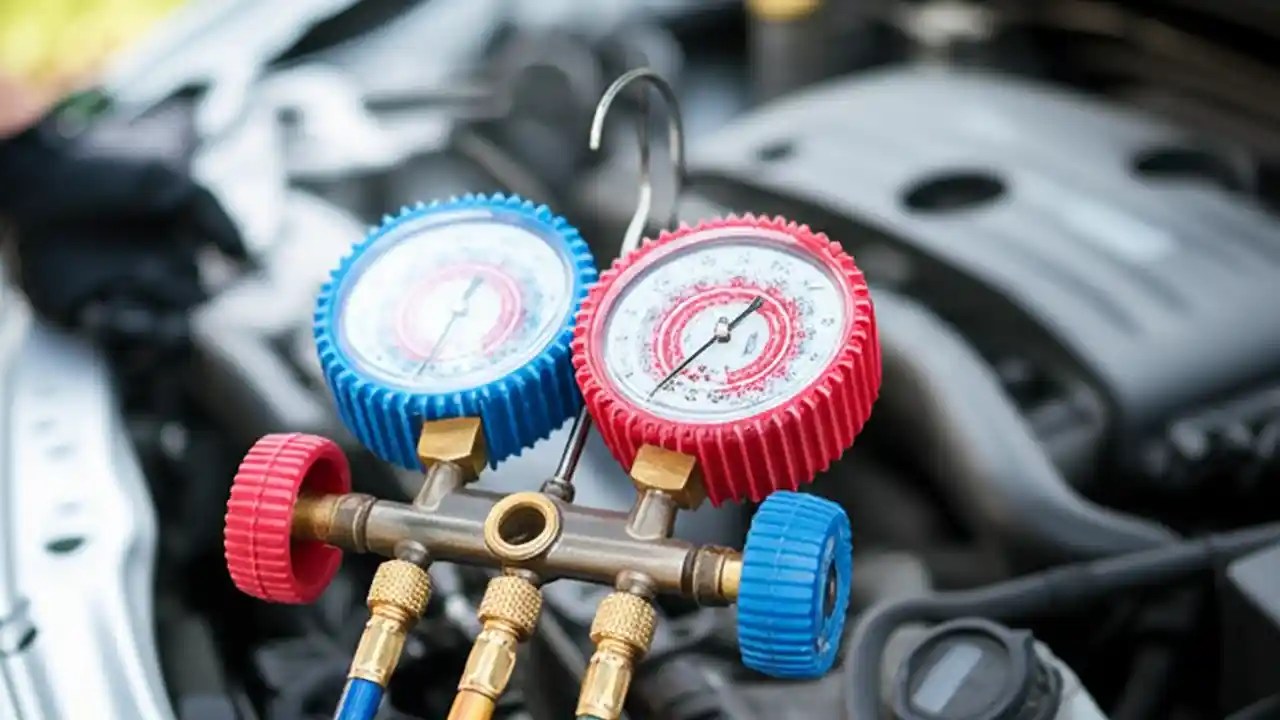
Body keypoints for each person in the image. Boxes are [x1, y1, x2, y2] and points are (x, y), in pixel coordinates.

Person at [0, 89, 246, 346]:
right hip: (188, 317)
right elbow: (176, 190)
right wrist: (240, 257)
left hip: (165, 324)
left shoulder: (22, 228)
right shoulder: (48, 177)